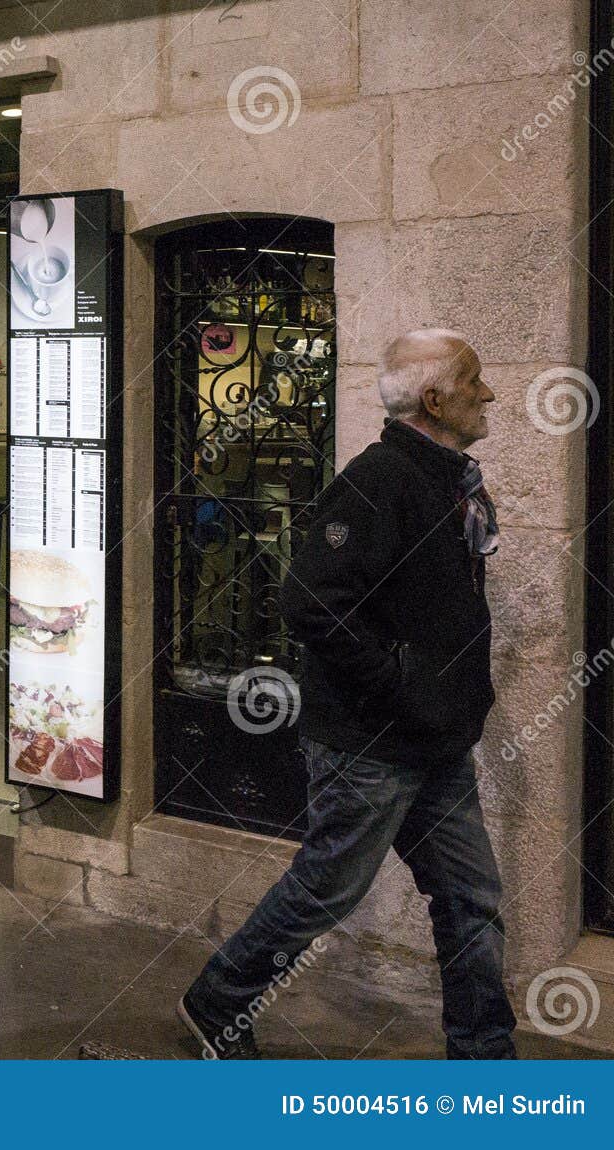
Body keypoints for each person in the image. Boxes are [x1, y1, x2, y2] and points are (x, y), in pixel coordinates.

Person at [179, 328, 514, 1060]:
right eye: (474, 382)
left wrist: (444, 700)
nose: (487, 394)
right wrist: (400, 684)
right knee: (327, 891)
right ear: (435, 399)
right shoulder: (377, 481)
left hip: (435, 742)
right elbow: (310, 601)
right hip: (370, 744)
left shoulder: (446, 479)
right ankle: (219, 998)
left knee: (471, 901)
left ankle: (485, 1057)